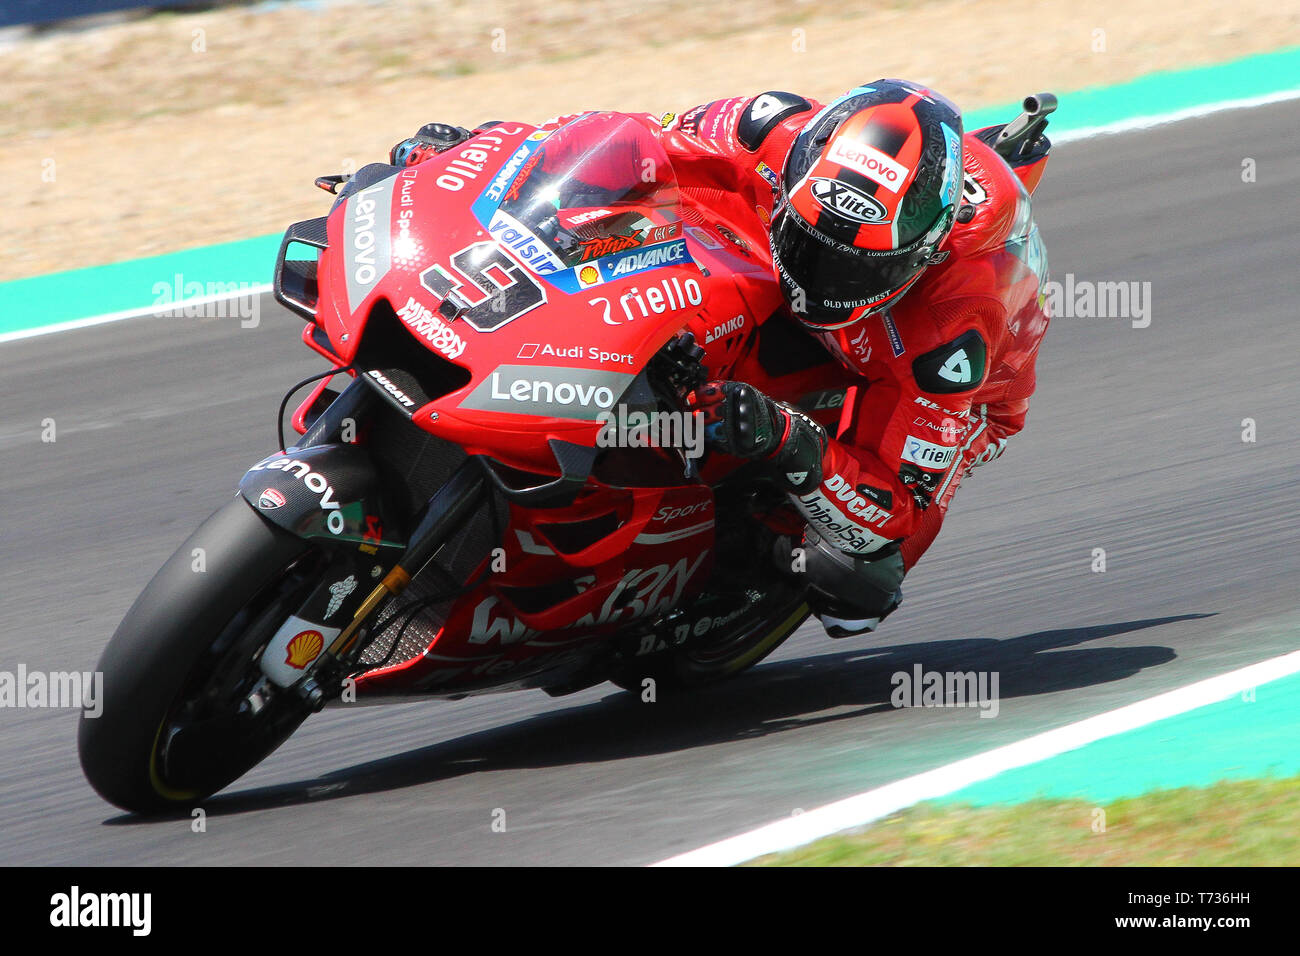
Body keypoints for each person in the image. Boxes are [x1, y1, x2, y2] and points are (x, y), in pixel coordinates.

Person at [388, 79, 1052, 637]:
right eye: (814, 246)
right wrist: (481, 150)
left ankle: (727, 572)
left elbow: (893, 505)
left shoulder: (951, 338)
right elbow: (619, 148)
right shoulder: (764, 125)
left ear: (923, 253)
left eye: (855, 267)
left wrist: (787, 439)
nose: (825, 279)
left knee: (857, 576)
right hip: (774, 281)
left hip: (958, 390)